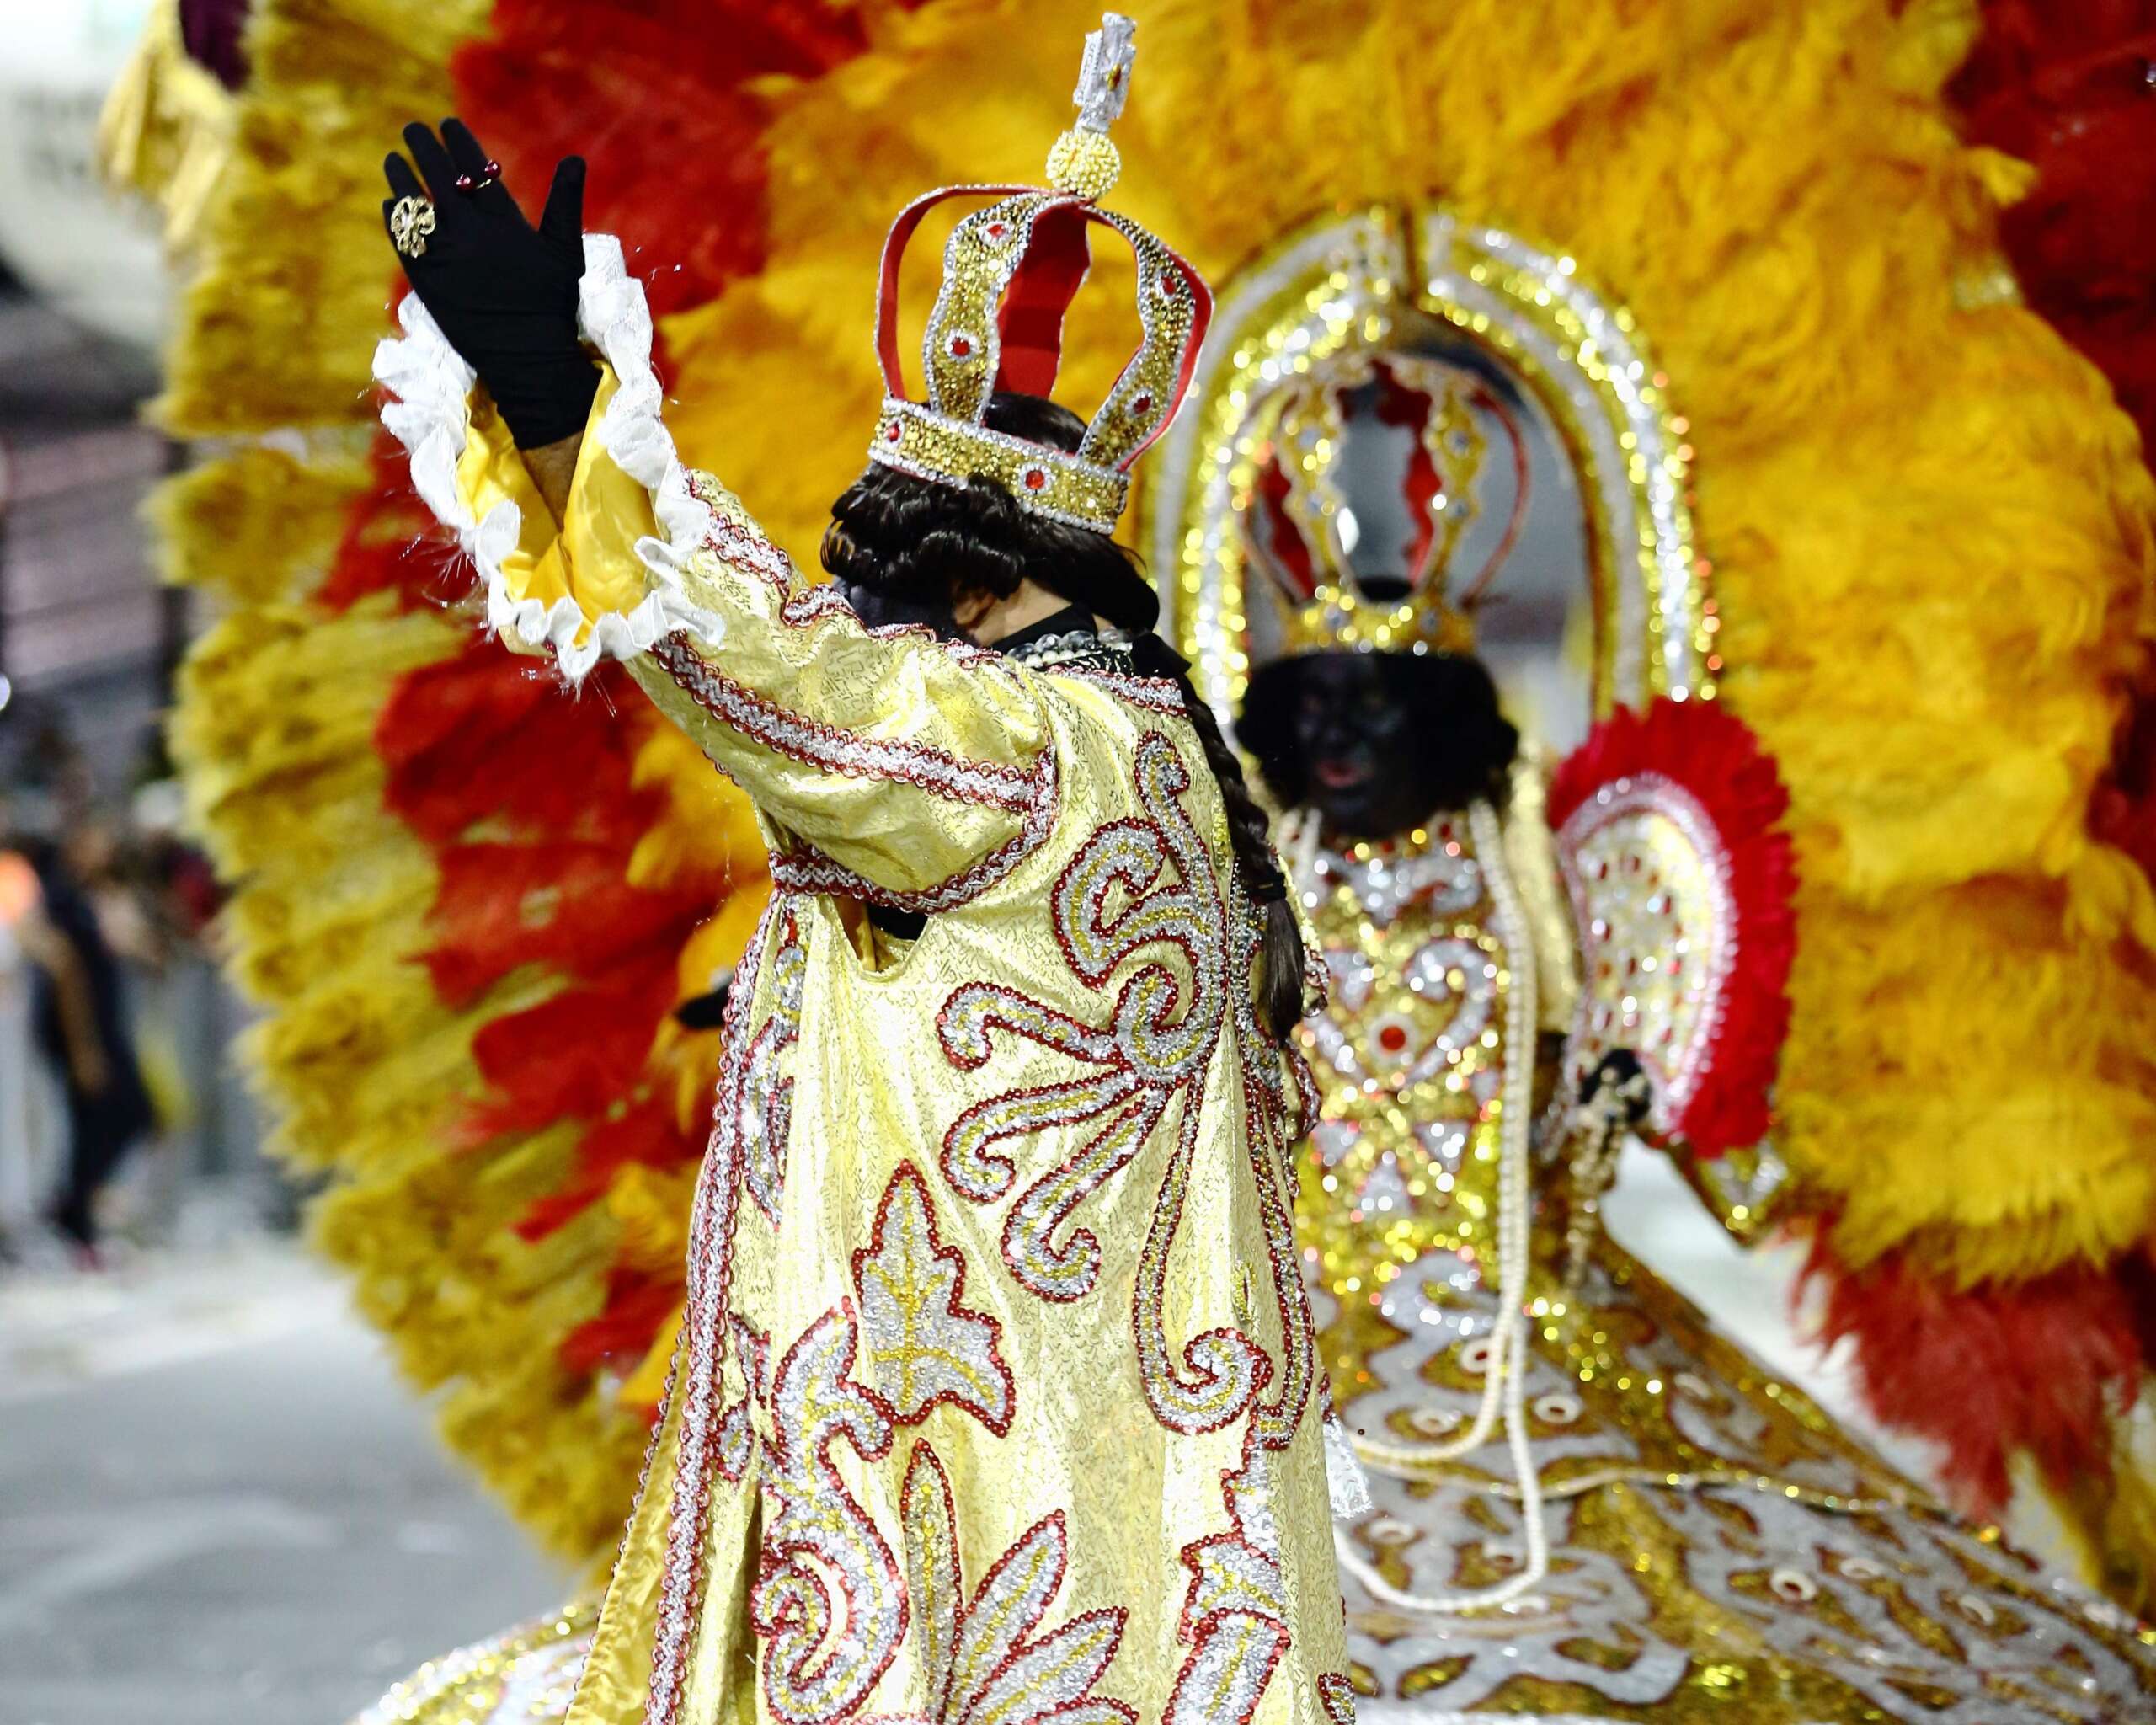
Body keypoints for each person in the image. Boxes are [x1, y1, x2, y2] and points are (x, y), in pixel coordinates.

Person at [371, 17, 1357, 1725]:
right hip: (1128, 1504)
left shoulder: (1014, 752)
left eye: (889, 589)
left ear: (964, 590)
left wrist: (564, 409)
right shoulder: (1137, 730)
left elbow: (776, 670)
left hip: (982, 1509)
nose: (872, 624)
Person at [1221, 348, 2156, 1720]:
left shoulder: (1516, 850)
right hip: (1291, 1306)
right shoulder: (1261, 858)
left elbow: (1601, 1005)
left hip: (1521, 1297)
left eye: (1375, 710)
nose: (1345, 741)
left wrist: (1597, 1099)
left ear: (1441, 724)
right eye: (1318, 715)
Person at [14, 827, 155, 1261]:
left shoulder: (101, 896)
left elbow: (143, 951)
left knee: (127, 1115)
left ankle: (76, 1213)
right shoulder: (61, 899)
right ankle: (73, 1217)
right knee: (101, 1121)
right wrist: (83, 1049)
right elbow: (68, 979)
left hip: (105, 1026)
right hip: (83, 1032)